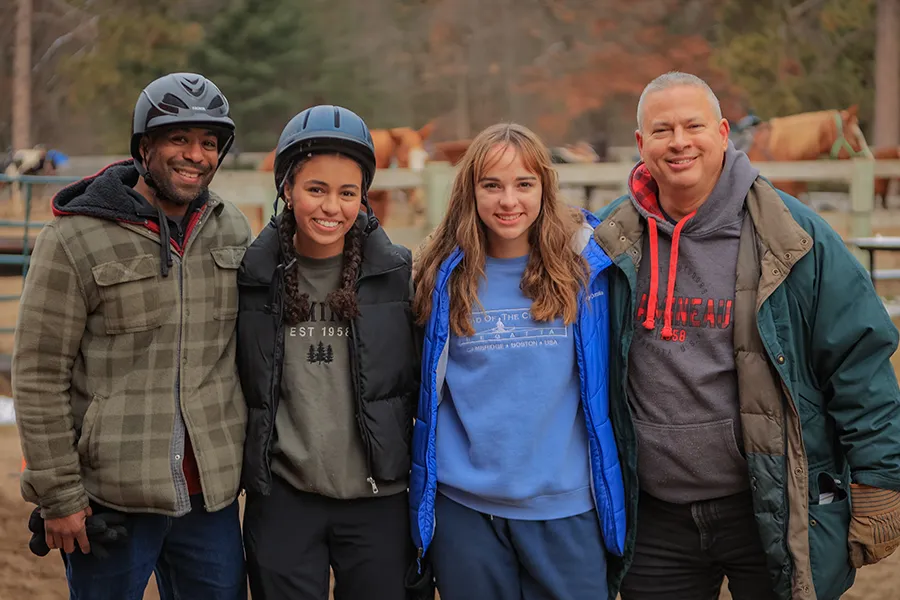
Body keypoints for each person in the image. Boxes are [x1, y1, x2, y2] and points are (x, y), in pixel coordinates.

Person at [593, 71, 900, 600]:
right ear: (642, 144)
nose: (680, 141)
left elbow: (858, 360)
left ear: (722, 132)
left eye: (693, 125)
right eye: (662, 130)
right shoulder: (609, 241)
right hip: (654, 517)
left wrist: (880, 480)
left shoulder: (794, 236)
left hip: (769, 504)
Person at [12, 72, 252, 599]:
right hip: (108, 499)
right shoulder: (74, 238)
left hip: (208, 498)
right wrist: (59, 495)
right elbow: (37, 373)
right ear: (145, 146)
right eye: (179, 139)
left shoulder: (232, 228)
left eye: (209, 143)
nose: (195, 155)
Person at [409, 122, 626, 600]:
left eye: (524, 184)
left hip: (565, 507)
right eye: (492, 185)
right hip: (467, 510)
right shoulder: (441, 276)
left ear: (544, 190)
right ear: (471, 191)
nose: (509, 200)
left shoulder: (585, 273)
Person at [237, 105, 420, 600]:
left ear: (363, 198)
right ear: (287, 190)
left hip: (378, 498)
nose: (331, 207)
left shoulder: (399, 276)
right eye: (316, 189)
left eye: (347, 193)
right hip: (285, 499)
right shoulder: (252, 278)